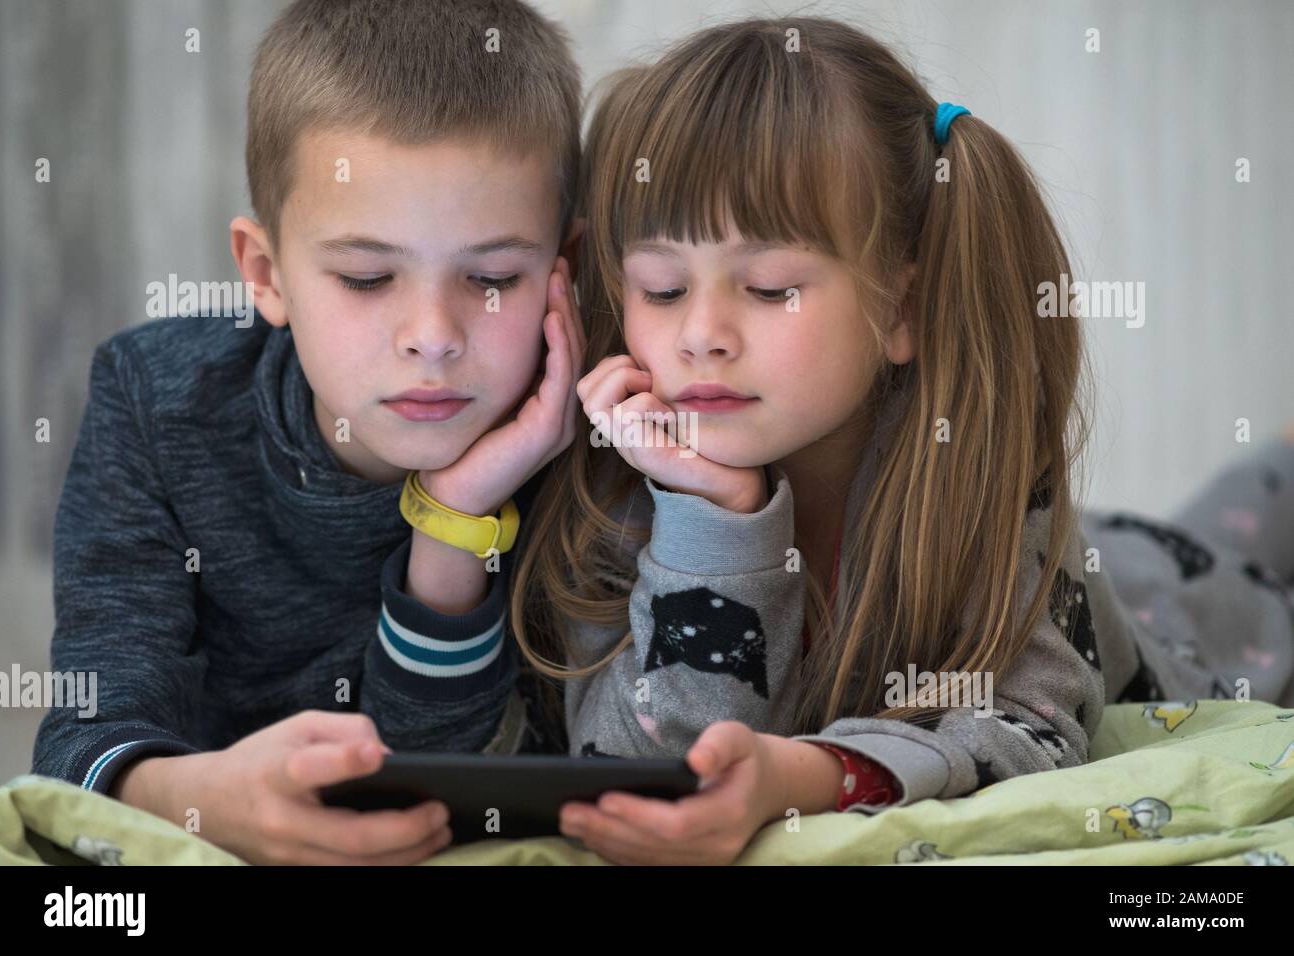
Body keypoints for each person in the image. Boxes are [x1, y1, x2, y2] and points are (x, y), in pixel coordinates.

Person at [506, 16, 1294, 865]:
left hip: (1170, 615)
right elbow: (642, 773)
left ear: (902, 308)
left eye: (770, 289)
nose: (700, 333)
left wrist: (802, 776)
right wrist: (711, 523)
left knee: (1236, 548)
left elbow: (1030, 729)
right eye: (661, 288)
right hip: (1123, 560)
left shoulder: (972, 470)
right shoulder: (614, 489)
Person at [32, 0, 586, 865]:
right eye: (367, 279)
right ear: (267, 274)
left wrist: (454, 523)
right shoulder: (156, 403)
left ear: (568, 273)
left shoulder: (604, 435)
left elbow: (450, 786)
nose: (432, 334)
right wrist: (201, 801)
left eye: (490, 277)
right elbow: (86, 745)